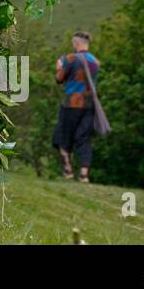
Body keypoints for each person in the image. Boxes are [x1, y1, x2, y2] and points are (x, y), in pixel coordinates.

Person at [52, 31, 100, 183]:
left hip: (71, 104)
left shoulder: (70, 59)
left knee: (61, 135)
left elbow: (59, 79)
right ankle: (84, 175)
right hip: (89, 104)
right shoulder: (94, 61)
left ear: (76, 43)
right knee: (83, 138)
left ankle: (68, 169)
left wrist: (59, 67)